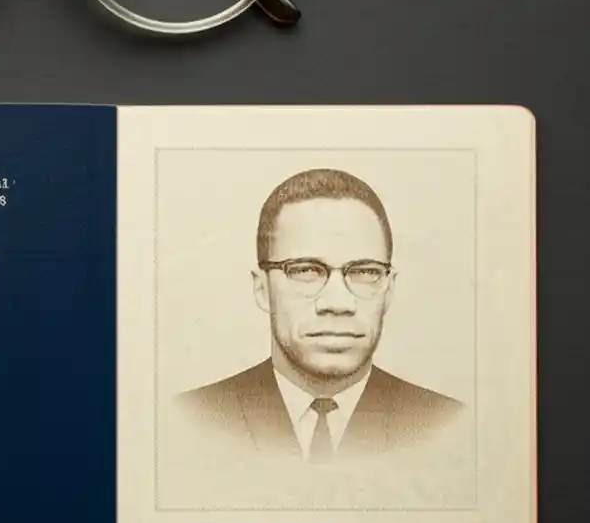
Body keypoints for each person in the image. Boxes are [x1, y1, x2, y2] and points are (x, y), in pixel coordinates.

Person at [176, 168, 462, 463]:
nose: (338, 303)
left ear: (388, 290)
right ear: (262, 288)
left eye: (365, 271)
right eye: (305, 270)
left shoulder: (446, 426)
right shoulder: (191, 420)